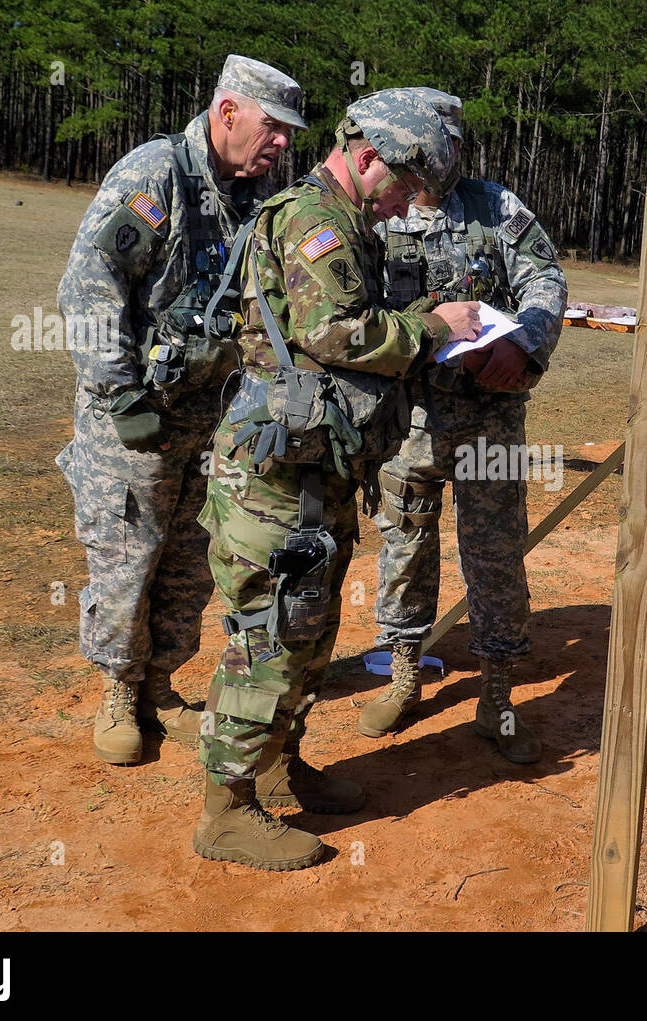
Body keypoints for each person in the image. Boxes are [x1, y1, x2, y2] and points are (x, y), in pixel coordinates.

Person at [193, 89, 476, 870]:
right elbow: (334, 330)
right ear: (367, 157)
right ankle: (226, 811)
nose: (406, 206)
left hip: (312, 474)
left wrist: (422, 314)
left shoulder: (346, 220)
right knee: (268, 640)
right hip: (273, 484)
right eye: (406, 186)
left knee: (307, 638)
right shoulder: (315, 220)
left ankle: (277, 768)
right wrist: (431, 328)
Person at [56, 55, 305, 765]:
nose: (283, 143)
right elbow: (91, 286)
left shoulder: (256, 198)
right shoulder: (154, 174)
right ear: (228, 113)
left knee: (191, 561)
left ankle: (159, 679)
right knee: (127, 557)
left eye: (290, 132)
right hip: (136, 417)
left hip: (213, 419)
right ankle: (117, 686)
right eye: (274, 126)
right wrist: (120, 392)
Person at [361, 87, 567, 764]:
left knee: (495, 553)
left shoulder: (494, 206)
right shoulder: (374, 208)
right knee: (403, 548)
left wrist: (527, 343)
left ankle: (498, 699)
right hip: (405, 421)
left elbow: (543, 276)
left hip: (490, 420)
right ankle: (402, 675)